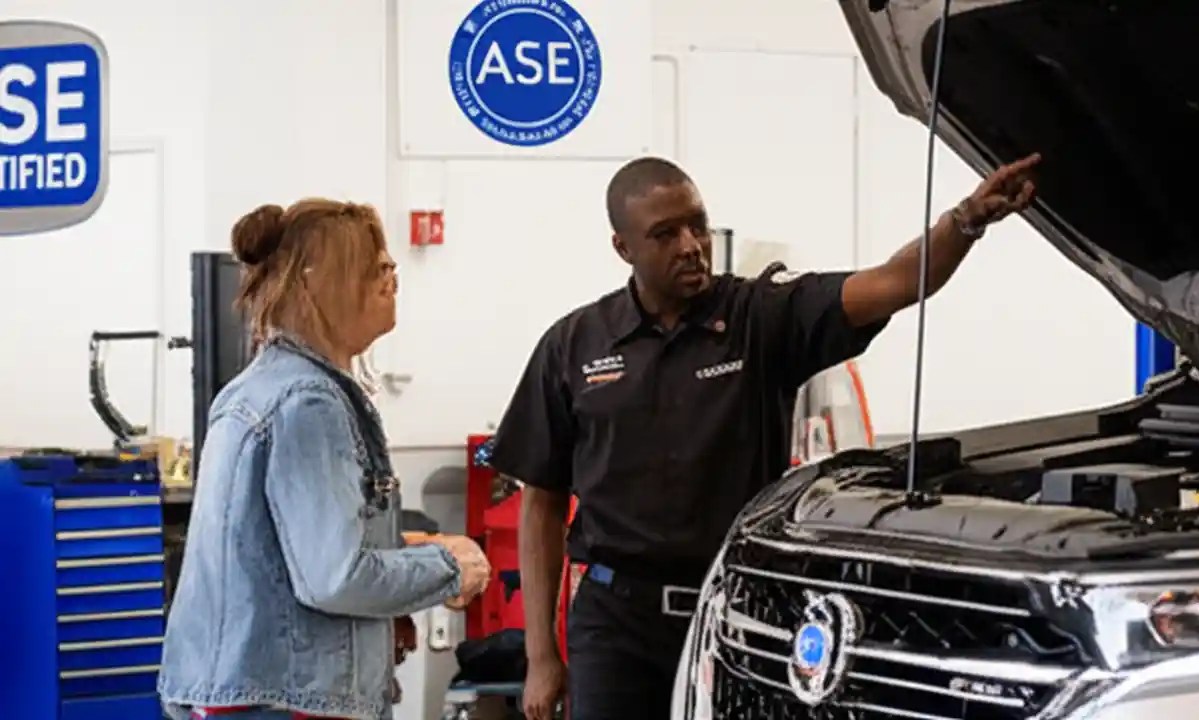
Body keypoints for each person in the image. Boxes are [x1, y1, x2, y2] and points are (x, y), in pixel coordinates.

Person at [489, 154, 1040, 720]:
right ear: (623, 248)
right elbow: (541, 505)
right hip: (615, 624)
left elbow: (894, 283)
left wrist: (967, 219)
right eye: (665, 234)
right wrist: (541, 656)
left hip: (735, 609)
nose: (690, 245)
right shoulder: (574, 346)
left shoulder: (762, 317)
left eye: (697, 224)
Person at [159, 199, 492, 720]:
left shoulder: (259, 389)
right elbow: (333, 577)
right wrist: (449, 568)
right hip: (289, 703)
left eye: (390, 265)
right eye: (374, 265)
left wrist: (410, 551)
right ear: (313, 282)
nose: (391, 278)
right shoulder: (308, 404)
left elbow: (286, 550)